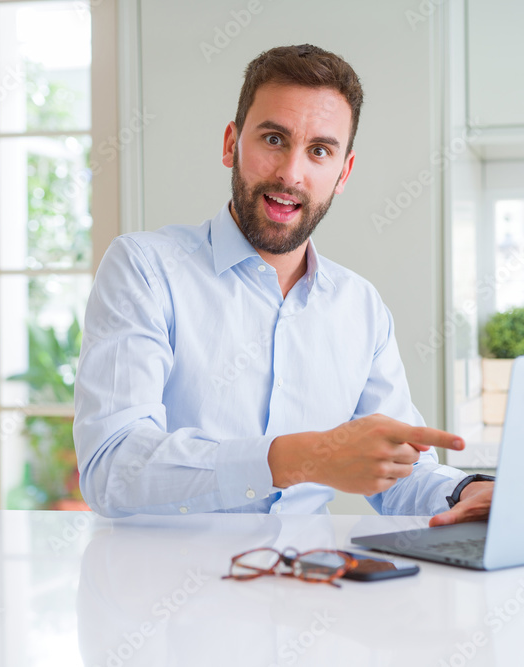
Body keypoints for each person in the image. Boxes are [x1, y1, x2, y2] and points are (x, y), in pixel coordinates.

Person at [73, 44, 493, 525]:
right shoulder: (145, 269)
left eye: (319, 151)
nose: (291, 173)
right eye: (274, 139)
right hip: (169, 592)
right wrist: (302, 457)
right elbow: (113, 469)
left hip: (310, 589)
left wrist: (465, 490)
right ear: (232, 143)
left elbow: (402, 469)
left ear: (343, 173)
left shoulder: (360, 306)